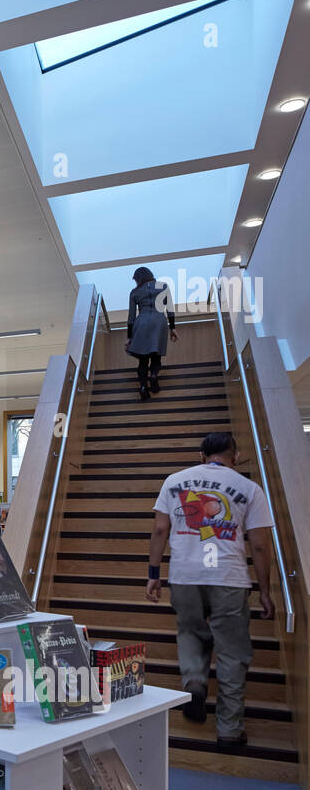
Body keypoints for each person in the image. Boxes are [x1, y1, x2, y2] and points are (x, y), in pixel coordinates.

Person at [146, 431, 274, 748]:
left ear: (201, 455)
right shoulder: (250, 489)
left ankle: (194, 683)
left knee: (191, 633)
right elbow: (259, 545)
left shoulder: (174, 481)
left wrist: (153, 574)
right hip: (228, 578)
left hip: (185, 575)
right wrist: (265, 590)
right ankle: (230, 730)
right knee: (232, 653)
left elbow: (160, 528)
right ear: (236, 455)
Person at [125, 266, 178, 400]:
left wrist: (129, 337)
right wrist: (173, 328)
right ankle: (153, 375)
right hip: (159, 322)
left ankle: (143, 387)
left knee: (143, 360)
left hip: (141, 322)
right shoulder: (163, 286)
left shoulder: (134, 292)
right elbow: (170, 309)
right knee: (156, 355)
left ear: (139, 279)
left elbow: (131, 317)